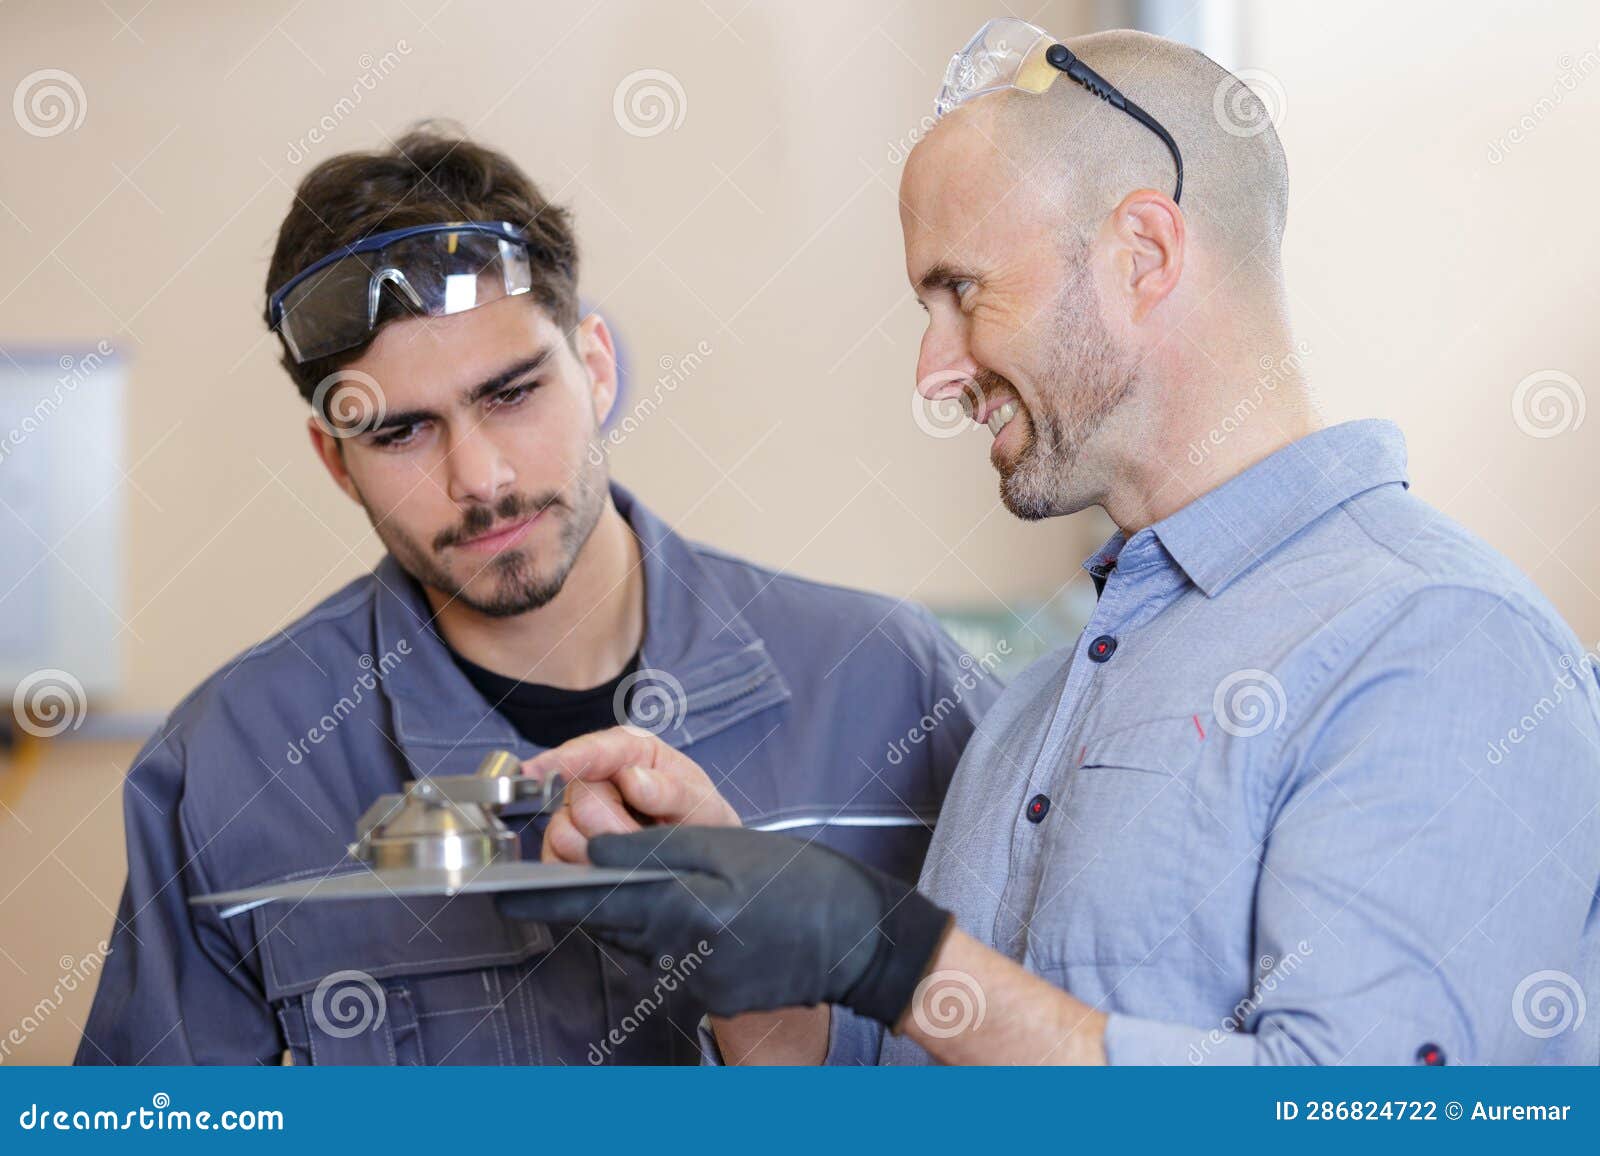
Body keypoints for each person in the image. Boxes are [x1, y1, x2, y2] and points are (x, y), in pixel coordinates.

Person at [499, 25, 1600, 1065]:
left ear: (1143, 250)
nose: (933, 370)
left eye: (961, 290)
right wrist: (753, 955)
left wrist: (903, 957)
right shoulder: (1036, 706)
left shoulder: (1437, 640)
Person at [76, 128, 999, 1065]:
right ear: (336, 463)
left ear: (595, 368)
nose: (479, 477)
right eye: (400, 433)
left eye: (511, 393)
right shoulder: (228, 770)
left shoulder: (896, 685)